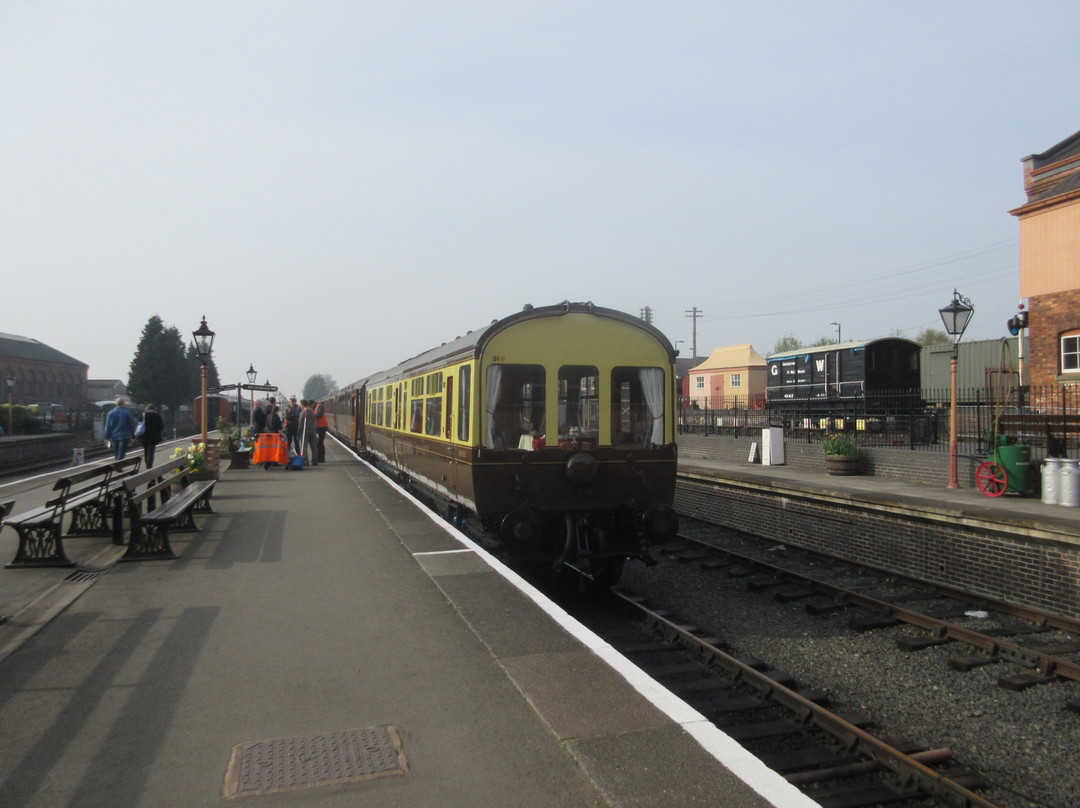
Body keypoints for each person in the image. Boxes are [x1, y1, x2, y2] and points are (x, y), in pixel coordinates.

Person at [299, 399, 318, 466]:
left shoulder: (303, 412)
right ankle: (315, 461)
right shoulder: (312, 412)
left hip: (305, 431)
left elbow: (301, 423)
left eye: (301, 405)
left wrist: (299, 432)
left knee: (304, 447)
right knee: (314, 447)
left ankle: (305, 461)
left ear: (303, 405)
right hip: (313, 430)